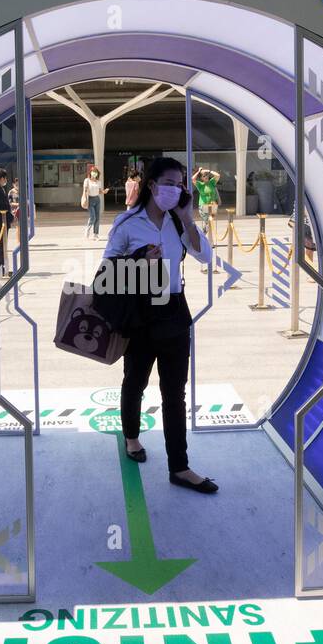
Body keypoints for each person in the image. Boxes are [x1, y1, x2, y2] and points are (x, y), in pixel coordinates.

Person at [104, 157, 219, 493]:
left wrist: (187, 218)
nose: (176, 189)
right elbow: (107, 271)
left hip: (174, 311)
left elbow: (206, 257)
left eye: (180, 183)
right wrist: (137, 260)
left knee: (175, 393)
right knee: (135, 381)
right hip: (140, 314)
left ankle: (179, 467)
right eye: (168, 183)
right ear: (152, 186)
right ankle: (132, 438)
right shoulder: (127, 224)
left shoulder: (178, 223)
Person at [80, 164, 107, 239]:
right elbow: (85, 190)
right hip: (90, 199)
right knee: (93, 217)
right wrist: (85, 197)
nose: (94, 173)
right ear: (90, 172)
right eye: (93, 171)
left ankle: (96, 234)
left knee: (97, 217)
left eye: (96, 172)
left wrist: (104, 191)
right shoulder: (87, 180)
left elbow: (99, 191)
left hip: (97, 199)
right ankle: (87, 230)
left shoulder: (98, 182)